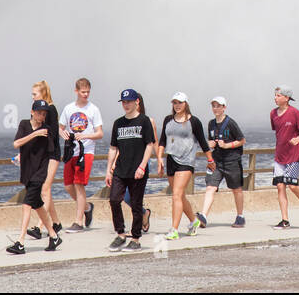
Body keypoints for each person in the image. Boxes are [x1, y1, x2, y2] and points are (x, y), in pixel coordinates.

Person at [7, 100, 62, 254]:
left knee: (27, 205)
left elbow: (52, 152)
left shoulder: (47, 130)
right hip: (27, 171)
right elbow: (16, 143)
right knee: (38, 205)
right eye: (39, 112)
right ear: (32, 112)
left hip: (40, 172)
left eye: (44, 114)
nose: (41, 116)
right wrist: (34, 134)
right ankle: (53, 235)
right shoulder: (24, 125)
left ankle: (20, 242)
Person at [157, 92, 213, 240]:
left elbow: (202, 142)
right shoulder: (168, 120)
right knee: (180, 196)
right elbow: (163, 140)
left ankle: (174, 230)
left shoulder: (194, 121)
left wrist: (210, 160)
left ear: (186, 104)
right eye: (174, 102)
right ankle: (194, 221)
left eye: (180, 102)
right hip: (171, 160)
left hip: (186, 162)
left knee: (176, 195)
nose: (177, 105)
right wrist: (159, 159)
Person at [106, 89, 156, 251]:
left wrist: (142, 166)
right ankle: (120, 234)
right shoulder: (118, 123)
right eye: (124, 102)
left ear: (137, 102)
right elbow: (113, 147)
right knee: (114, 200)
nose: (126, 105)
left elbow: (149, 145)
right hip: (121, 169)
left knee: (136, 205)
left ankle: (135, 239)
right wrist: (108, 170)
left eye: (129, 101)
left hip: (138, 170)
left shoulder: (144, 121)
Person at [59, 78, 104, 231]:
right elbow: (59, 127)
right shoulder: (68, 108)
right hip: (71, 151)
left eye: (88, 92)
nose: (86, 95)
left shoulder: (93, 109)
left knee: (79, 185)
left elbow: (99, 133)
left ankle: (78, 222)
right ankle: (87, 207)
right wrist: (63, 134)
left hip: (86, 152)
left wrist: (85, 136)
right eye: (83, 92)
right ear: (76, 91)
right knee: (68, 185)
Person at [270, 85, 299, 228]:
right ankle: (285, 220)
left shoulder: (295, 113)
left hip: (293, 156)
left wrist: (298, 138)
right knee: (280, 187)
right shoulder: (273, 114)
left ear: (286, 98)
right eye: (275, 95)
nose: (275, 98)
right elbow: (279, 133)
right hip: (279, 157)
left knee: (292, 186)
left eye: (278, 96)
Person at [200, 95, 246, 227]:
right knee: (210, 187)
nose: (215, 108)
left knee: (236, 189)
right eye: (213, 106)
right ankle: (203, 216)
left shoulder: (230, 123)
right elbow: (210, 140)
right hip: (217, 161)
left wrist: (227, 145)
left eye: (218, 106)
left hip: (232, 161)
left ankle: (240, 216)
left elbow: (242, 140)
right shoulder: (211, 123)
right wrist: (211, 144)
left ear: (224, 107)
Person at [26, 81, 63, 240]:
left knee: (45, 189)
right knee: (45, 190)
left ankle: (40, 227)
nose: (32, 96)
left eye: (35, 94)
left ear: (43, 94)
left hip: (51, 153)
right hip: (41, 154)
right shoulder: (36, 110)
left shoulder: (51, 109)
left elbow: (52, 134)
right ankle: (56, 222)